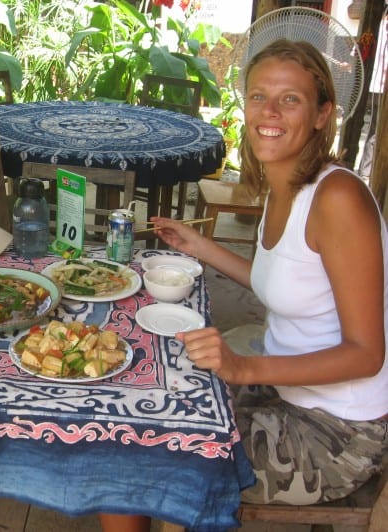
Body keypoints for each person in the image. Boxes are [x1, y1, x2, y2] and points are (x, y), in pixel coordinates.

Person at [99, 38, 388, 532]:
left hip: (336, 433)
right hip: (283, 390)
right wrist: (201, 248)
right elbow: (285, 283)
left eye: (290, 99)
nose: (268, 112)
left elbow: (367, 354)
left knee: (137, 458)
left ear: (322, 115)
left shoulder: (338, 198)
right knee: (138, 401)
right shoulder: (285, 186)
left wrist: (243, 366)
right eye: (258, 96)